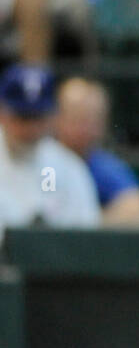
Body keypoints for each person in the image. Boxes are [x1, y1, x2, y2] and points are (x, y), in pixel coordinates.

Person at [0, 64, 99, 228]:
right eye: (23, 118)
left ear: (52, 116)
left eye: (38, 118)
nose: (30, 128)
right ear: (3, 113)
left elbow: (86, 236)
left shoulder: (69, 167)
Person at [53, 75, 139, 224]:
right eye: (78, 118)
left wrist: (88, 220)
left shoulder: (102, 165)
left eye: (93, 120)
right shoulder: (43, 161)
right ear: (56, 118)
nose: (86, 129)